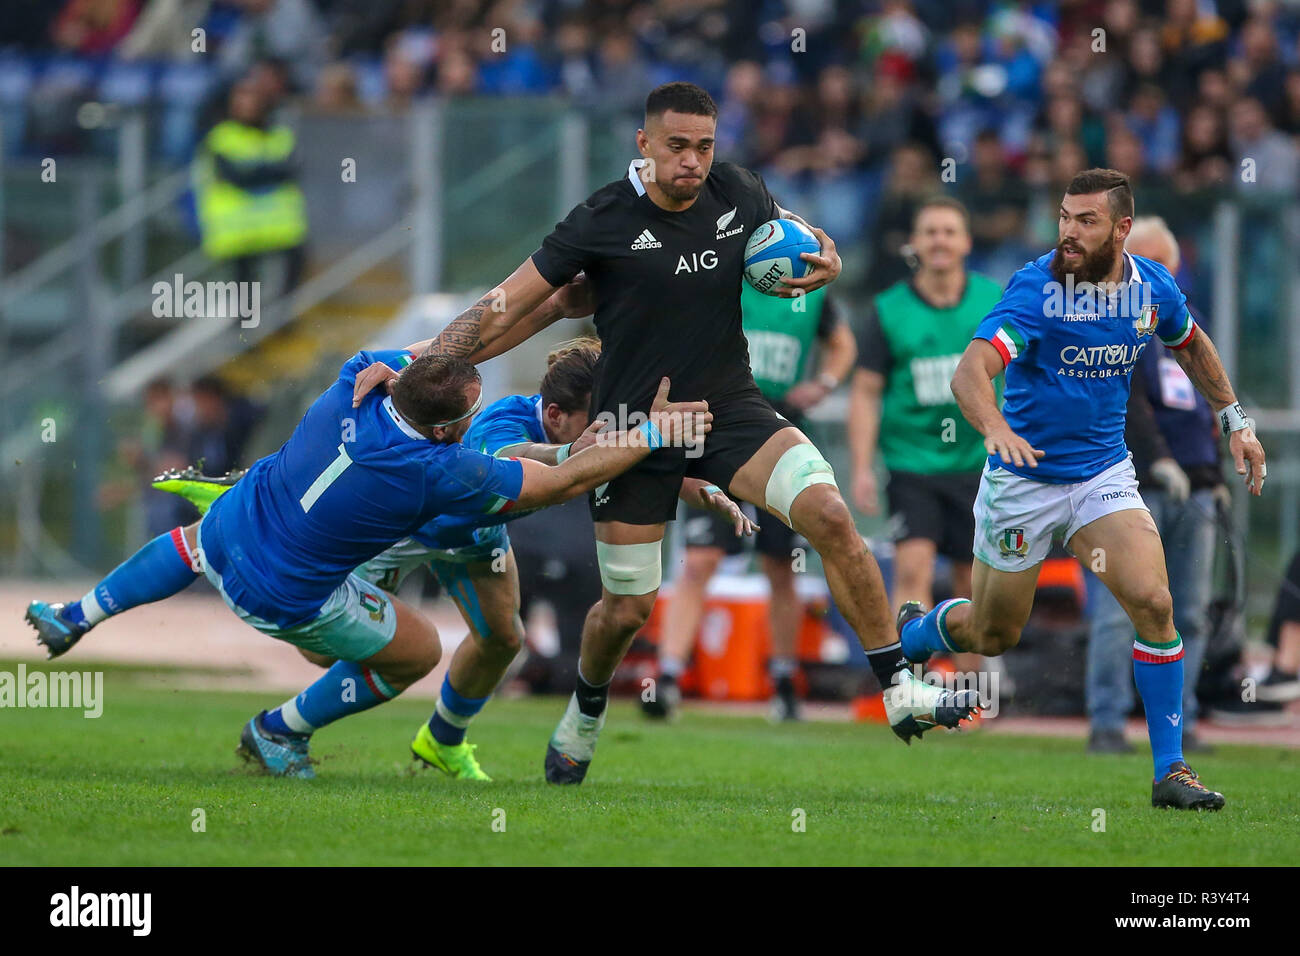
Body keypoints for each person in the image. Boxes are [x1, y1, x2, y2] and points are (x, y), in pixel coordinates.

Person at [352, 82, 979, 786]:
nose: (692, 162)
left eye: (704, 147)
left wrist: (825, 262)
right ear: (644, 144)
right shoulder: (600, 221)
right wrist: (417, 364)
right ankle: (586, 712)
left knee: (832, 515)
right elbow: (505, 305)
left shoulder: (740, 191)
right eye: (677, 146)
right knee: (625, 610)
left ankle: (899, 690)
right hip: (633, 424)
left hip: (730, 408)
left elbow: (801, 236)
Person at [26, 326, 711, 778]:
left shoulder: (354, 374)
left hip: (255, 529)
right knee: (402, 653)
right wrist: (656, 431)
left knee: (500, 636)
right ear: (449, 425)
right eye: (467, 413)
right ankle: (279, 730)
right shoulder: (442, 466)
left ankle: (77, 613)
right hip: (339, 565)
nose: (477, 414)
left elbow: (412, 357)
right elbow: (558, 477)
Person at [906, 168, 1266, 811]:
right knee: (993, 634)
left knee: (1155, 602)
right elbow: (971, 371)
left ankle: (1170, 772)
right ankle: (915, 635)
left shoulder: (1151, 287)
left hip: (1101, 477)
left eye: (1086, 221)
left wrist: (1235, 420)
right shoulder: (1038, 289)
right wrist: (994, 428)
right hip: (1023, 481)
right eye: (1065, 218)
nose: (1068, 233)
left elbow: (1191, 344)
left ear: (1122, 229)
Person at [645, 285, 856, 723]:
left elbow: (842, 343)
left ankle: (782, 680)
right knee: (700, 560)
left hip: (781, 427)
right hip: (720, 422)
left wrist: (823, 384)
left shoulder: (811, 288)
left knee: (782, 565)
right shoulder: (727, 273)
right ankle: (667, 678)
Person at [1082, 217, 1225, 755]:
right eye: (1150, 263)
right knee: (1122, 608)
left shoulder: (1184, 320)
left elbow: (1205, 400)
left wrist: (1212, 468)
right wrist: (1160, 460)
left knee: (1187, 610)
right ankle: (1106, 721)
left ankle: (1177, 725)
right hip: (1133, 483)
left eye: (1167, 264)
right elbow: (1128, 406)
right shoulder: (1111, 323)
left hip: (1197, 487)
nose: (1160, 275)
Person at [849, 196, 1001, 680]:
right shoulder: (888, 309)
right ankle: (909, 684)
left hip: (978, 463)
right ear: (914, 244)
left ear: (966, 243)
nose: (939, 240)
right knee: (913, 569)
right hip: (911, 463)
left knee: (970, 578)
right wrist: (860, 467)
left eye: (949, 231)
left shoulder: (992, 301)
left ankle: (973, 690)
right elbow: (866, 392)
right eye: (930, 231)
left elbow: (1021, 378)